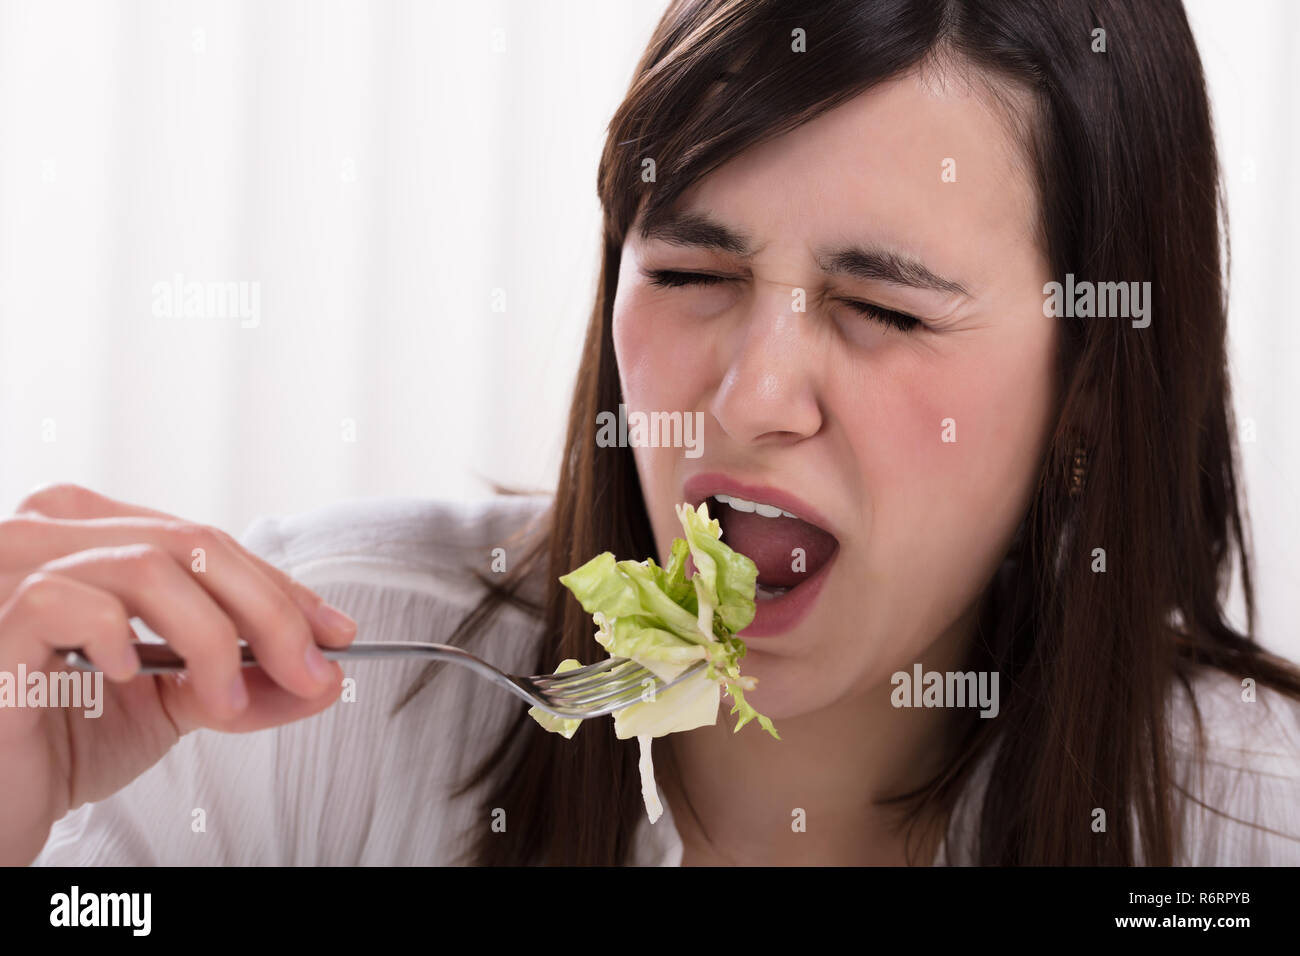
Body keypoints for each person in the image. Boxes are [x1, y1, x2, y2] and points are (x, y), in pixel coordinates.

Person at [11, 0, 1300, 866]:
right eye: (687, 273)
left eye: (879, 308)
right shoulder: (297, 723)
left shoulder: (1248, 829)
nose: (746, 396)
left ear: (1087, 390)